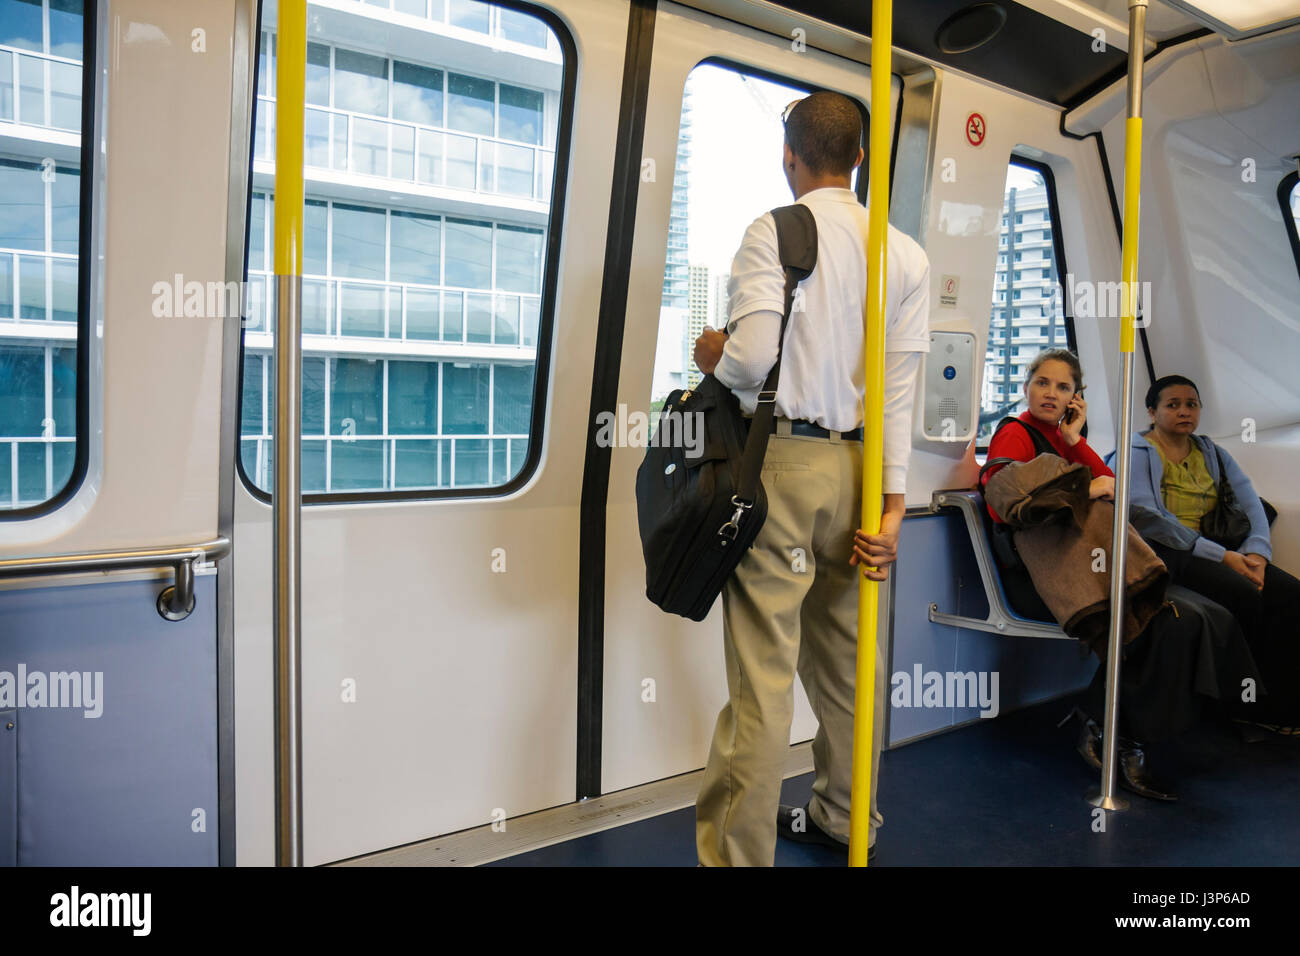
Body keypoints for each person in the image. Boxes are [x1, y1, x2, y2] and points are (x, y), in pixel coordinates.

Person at [690, 91, 930, 866]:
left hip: (786, 466)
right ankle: (843, 817)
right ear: (860, 159)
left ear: (789, 156)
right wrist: (893, 507)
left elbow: (754, 357)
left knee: (764, 680)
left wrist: (712, 361)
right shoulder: (906, 253)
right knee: (850, 665)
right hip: (861, 471)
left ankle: (737, 858)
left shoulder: (776, 230)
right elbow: (899, 389)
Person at [982, 350, 1261, 801]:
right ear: (1027, 386)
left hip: (1085, 567)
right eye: (1043, 383)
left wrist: (1074, 440)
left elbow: (1112, 482)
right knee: (1166, 621)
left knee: (1191, 616)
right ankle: (1118, 735)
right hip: (1045, 579)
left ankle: (1109, 723)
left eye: (1063, 387)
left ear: (1076, 397)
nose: (1051, 394)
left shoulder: (1062, 437)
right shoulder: (1015, 435)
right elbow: (1002, 501)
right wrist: (1080, 487)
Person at [1111, 374, 1300, 731]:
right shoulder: (1136, 452)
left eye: (1191, 404)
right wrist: (1225, 558)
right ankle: (1235, 701)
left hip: (1218, 550)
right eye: (1173, 405)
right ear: (1152, 412)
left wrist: (1257, 553)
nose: (1184, 411)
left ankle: (1277, 706)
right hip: (1170, 552)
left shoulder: (1211, 451)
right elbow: (1150, 520)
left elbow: (1250, 503)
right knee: (1244, 593)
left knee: (1290, 594)